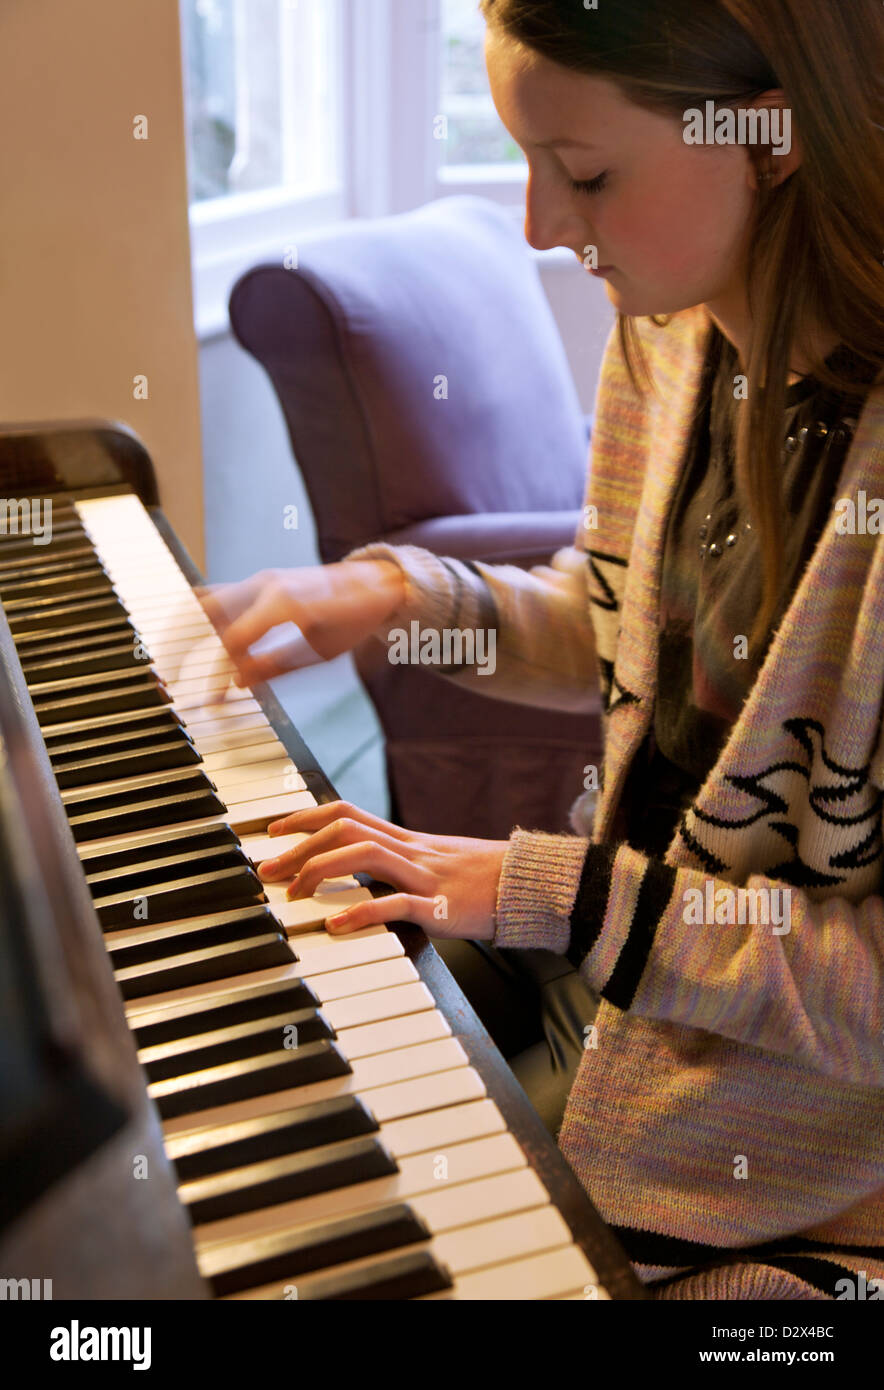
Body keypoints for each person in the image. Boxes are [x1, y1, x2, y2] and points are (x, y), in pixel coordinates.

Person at [201, 0, 884, 1300]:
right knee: (244, 1058)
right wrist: (402, 597)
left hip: (794, 1159)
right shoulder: (675, 337)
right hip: (616, 994)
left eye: (583, 173)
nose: (537, 225)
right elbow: (616, 624)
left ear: (775, 133)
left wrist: (561, 894)